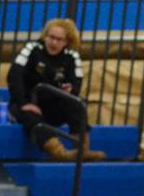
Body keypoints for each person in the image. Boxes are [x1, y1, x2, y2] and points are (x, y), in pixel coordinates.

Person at [7, 18, 101, 161]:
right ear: (45, 36)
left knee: (77, 103)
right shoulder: (32, 48)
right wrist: (23, 103)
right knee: (30, 115)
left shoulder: (72, 56)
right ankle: (59, 153)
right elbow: (14, 75)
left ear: (66, 42)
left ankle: (82, 150)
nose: (54, 42)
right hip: (27, 104)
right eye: (51, 37)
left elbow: (76, 82)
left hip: (53, 107)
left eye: (59, 39)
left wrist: (71, 90)